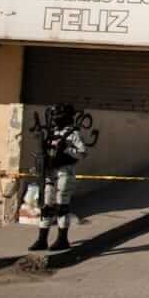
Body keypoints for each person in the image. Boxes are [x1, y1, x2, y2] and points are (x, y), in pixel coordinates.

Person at [29, 104, 89, 252]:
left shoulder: (73, 134)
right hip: (50, 173)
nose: (55, 120)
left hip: (65, 172)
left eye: (58, 117)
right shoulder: (52, 133)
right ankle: (42, 239)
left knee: (62, 205)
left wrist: (67, 149)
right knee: (47, 206)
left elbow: (82, 153)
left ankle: (62, 239)